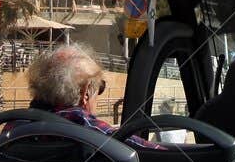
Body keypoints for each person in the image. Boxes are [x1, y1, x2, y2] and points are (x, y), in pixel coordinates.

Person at [27, 43, 159, 148]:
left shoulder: (13, 128)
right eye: (100, 87)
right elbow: (152, 151)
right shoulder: (90, 131)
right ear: (86, 92)